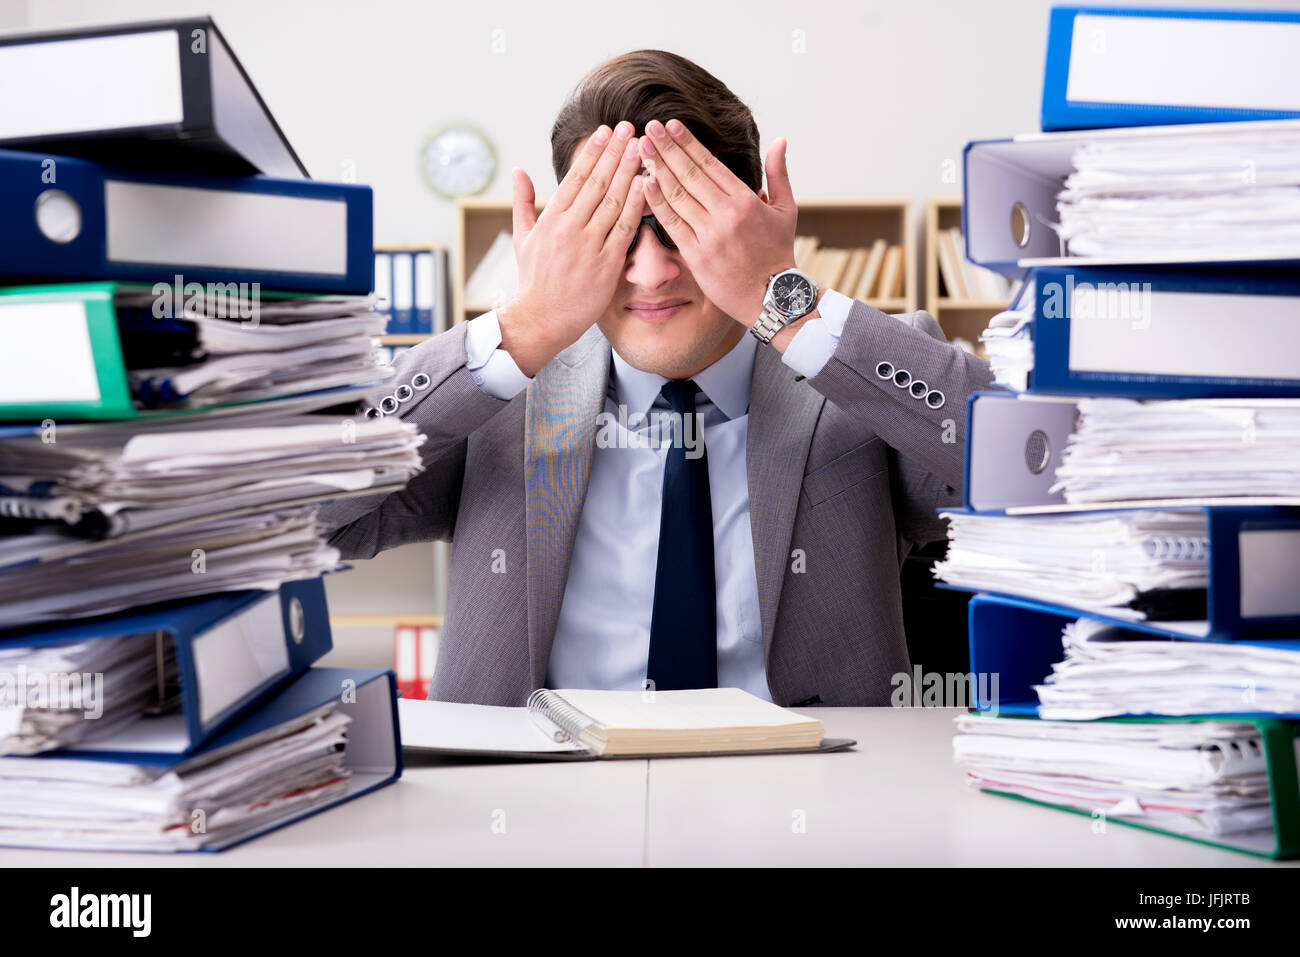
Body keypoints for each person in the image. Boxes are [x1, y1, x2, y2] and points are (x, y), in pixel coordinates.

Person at [319, 49, 994, 706]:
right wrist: (523, 329)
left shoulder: (852, 368)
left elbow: (1040, 480)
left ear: (750, 220)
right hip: (539, 801)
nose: (650, 273)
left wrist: (792, 306)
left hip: (805, 800)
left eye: (682, 225)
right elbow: (303, 512)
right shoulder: (499, 393)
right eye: (611, 229)